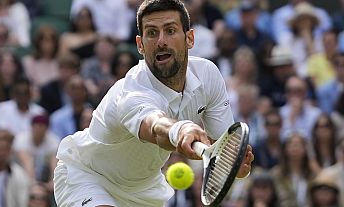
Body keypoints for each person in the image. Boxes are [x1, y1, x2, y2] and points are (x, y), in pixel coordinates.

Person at [53, 0, 254, 206]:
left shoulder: (208, 76)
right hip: (88, 177)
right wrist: (180, 130)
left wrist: (233, 164)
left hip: (145, 190)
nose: (161, 41)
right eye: (151, 33)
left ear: (190, 38)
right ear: (140, 45)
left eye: (170, 30)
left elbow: (222, 147)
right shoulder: (131, 90)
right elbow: (156, 127)